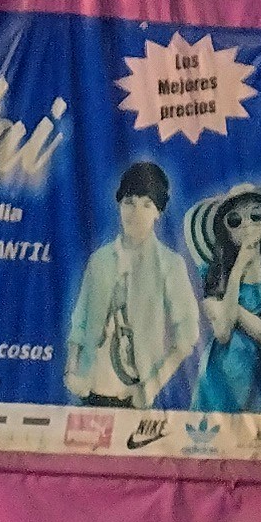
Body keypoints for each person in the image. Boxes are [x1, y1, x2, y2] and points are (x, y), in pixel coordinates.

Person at [64, 158, 202, 405]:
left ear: (158, 213)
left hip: (135, 397)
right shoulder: (100, 260)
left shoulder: (170, 265)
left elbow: (187, 337)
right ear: (119, 205)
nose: (136, 213)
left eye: (147, 205)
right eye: (129, 203)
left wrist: (149, 389)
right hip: (90, 393)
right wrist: (72, 371)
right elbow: (80, 323)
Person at [188, 183, 261, 416]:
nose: (247, 223)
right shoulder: (214, 281)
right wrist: (238, 269)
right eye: (235, 220)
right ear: (226, 231)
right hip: (216, 393)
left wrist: (235, 311)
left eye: (256, 214)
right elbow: (223, 331)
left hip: (259, 395)